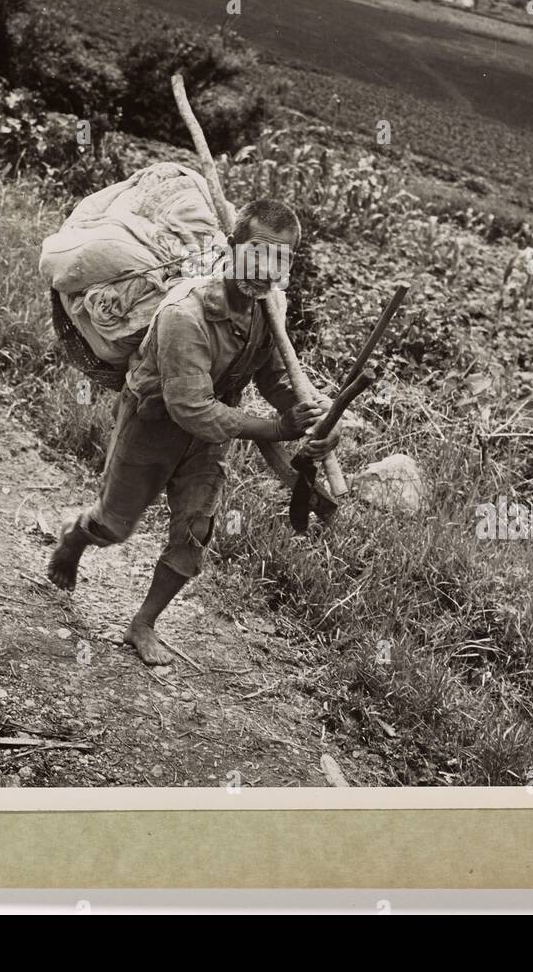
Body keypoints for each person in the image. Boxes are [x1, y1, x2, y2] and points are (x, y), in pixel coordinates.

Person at [48, 197, 342, 665]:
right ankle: (74, 538)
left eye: (279, 259)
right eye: (257, 252)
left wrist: (315, 419)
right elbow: (190, 409)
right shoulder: (185, 314)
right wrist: (277, 428)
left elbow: (272, 377)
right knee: (113, 526)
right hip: (152, 428)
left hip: (209, 439)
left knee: (195, 531)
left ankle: (142, 624)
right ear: (232, 246)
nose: (265, 268)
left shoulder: (269, 308)